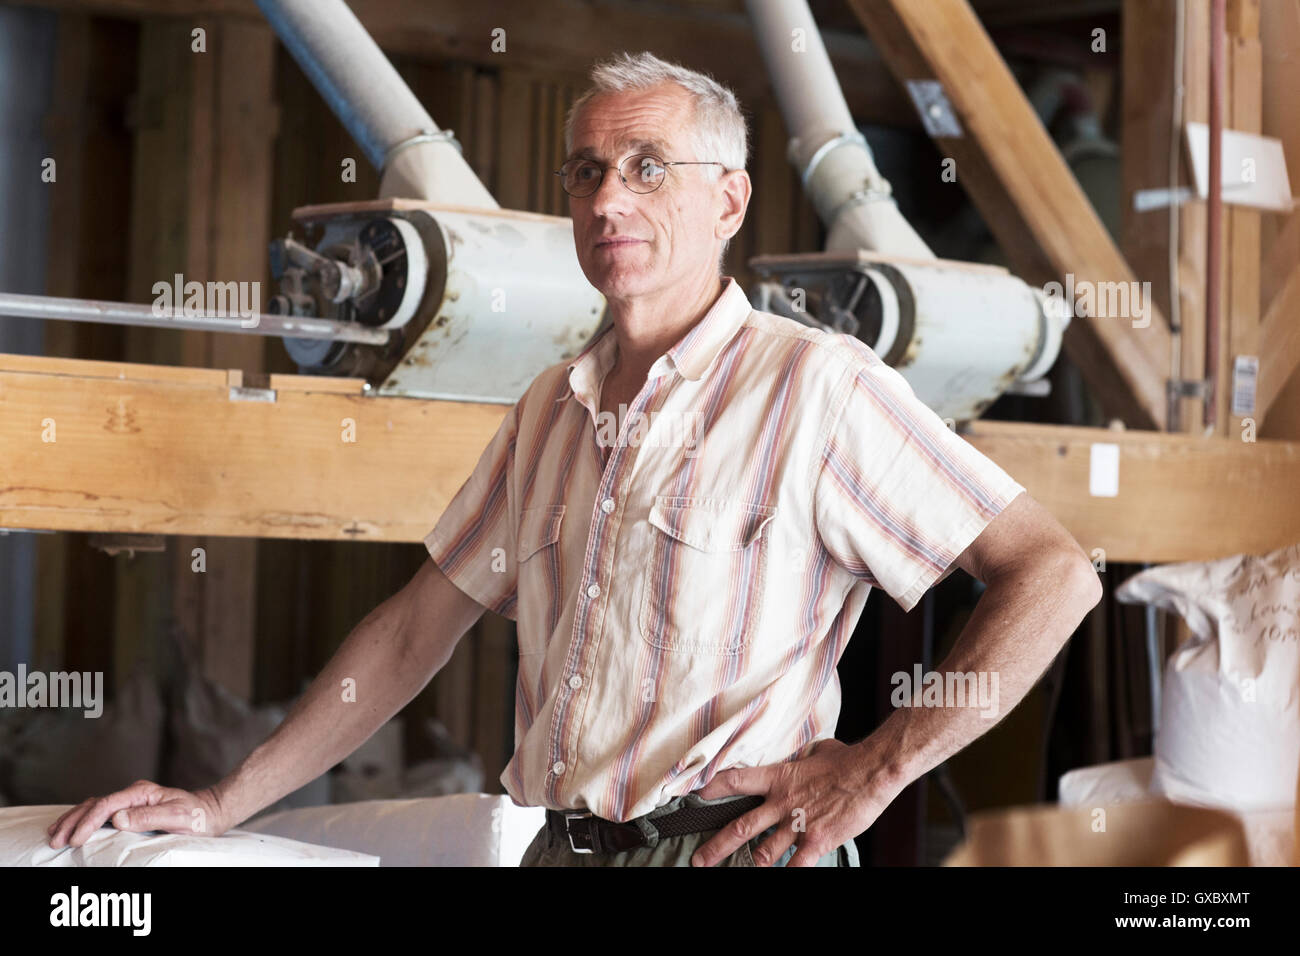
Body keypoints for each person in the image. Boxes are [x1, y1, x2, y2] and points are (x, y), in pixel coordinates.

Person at [46, 51, 1102, 867]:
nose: (609, 200)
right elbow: (418, 626)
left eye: (649, 169)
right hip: (558, 848)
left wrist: (877, 769)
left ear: (727, 201)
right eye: (588, 170)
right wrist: (226, 801)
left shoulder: (814, 386)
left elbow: (1053, 572)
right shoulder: (553, 405)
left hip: (732, 847)